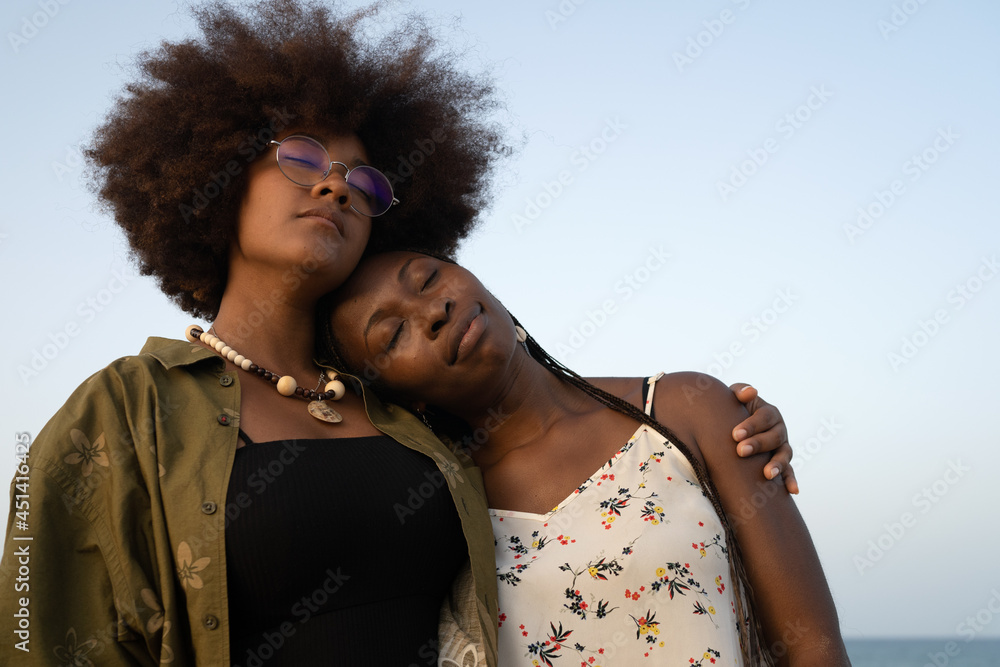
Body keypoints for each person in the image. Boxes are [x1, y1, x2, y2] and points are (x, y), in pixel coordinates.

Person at [0, 2, 795, 665]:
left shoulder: (409, 418)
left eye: (364, 182)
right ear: (212, 176)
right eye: (302, 155)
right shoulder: (123, 412)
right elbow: (33, 631)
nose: (333, 184)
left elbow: (565, 469)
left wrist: (729, 429)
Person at [321, 250, 851, 666]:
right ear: (395, 394)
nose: (433, 311)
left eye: (430, 278)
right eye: (393, 334)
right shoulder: (440, 508)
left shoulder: (689, 411)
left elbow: (814, 649)